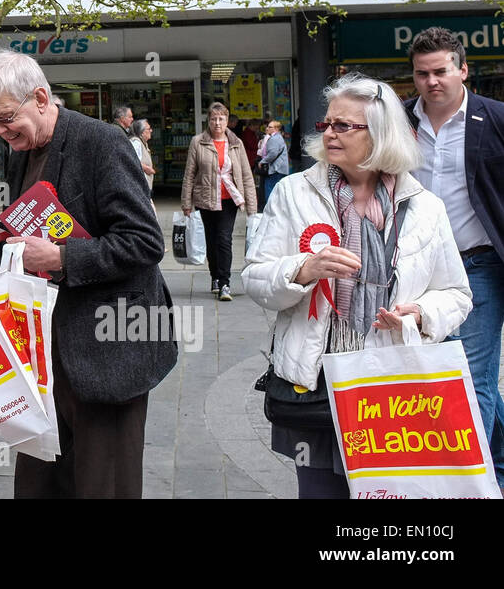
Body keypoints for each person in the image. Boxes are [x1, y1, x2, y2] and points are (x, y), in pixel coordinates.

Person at [0, 52, 176, 499]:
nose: (0, 132)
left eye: (7, 118)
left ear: (42, 97)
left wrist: (63, 258)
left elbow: (145, 242)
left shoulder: (101, 143)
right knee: (40, 481)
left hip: (108, 351)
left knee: (102, 484)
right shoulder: (22, 149)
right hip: (42, 353)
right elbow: (24, 231)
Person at [245, 73, 471, 498]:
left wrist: (421, 314)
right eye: (326, 124)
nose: (329, 133)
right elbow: (256, 278)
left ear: (381, 133)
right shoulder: (294, 193)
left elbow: (457, 295)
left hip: (394, 391)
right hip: (316, 384)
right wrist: (303, 269)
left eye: (343, 125)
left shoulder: (426, 206)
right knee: (318, 491)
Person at [404, 26, 504, 486]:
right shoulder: (398, 122)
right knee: (433, 370)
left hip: (478, 263)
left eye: (441, 71)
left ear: (463, 69)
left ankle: (471, 487)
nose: (432, 82)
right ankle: (496, 463)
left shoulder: (496, 119)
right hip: (416, 270)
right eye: (422, 73)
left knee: (471, 376)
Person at [182, 102, 257, 301]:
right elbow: (189, 174)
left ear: (227, 120)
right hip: (205, 199)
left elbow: (247, 175)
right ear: (209, 120)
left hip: (229, 200)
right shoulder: (198, 142)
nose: (217, 123)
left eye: (221, 119)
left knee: (224, 239)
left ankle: (225, 283)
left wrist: (252, 206)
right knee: (211, 241)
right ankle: (215, 276)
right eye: (214, 119)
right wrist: (186, 203)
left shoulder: (236, 143)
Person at [260, 120, 290, 202]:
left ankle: (270, 210)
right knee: (278, 192)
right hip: (279, 169)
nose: (267, 128)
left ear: (276, 129)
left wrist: (263, 161)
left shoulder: (274, 138)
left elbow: (272, 153)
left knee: (270, 191)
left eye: (270, 127)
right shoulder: (278, 137)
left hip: (276, 169)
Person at [130, 119, 157, 195]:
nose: (151, 131)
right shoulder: (136, 143)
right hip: (139, 188)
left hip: (143, 187)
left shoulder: (143, 143)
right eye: (148, 129)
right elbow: (132, 161)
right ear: (141, 132)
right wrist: (146, 168)